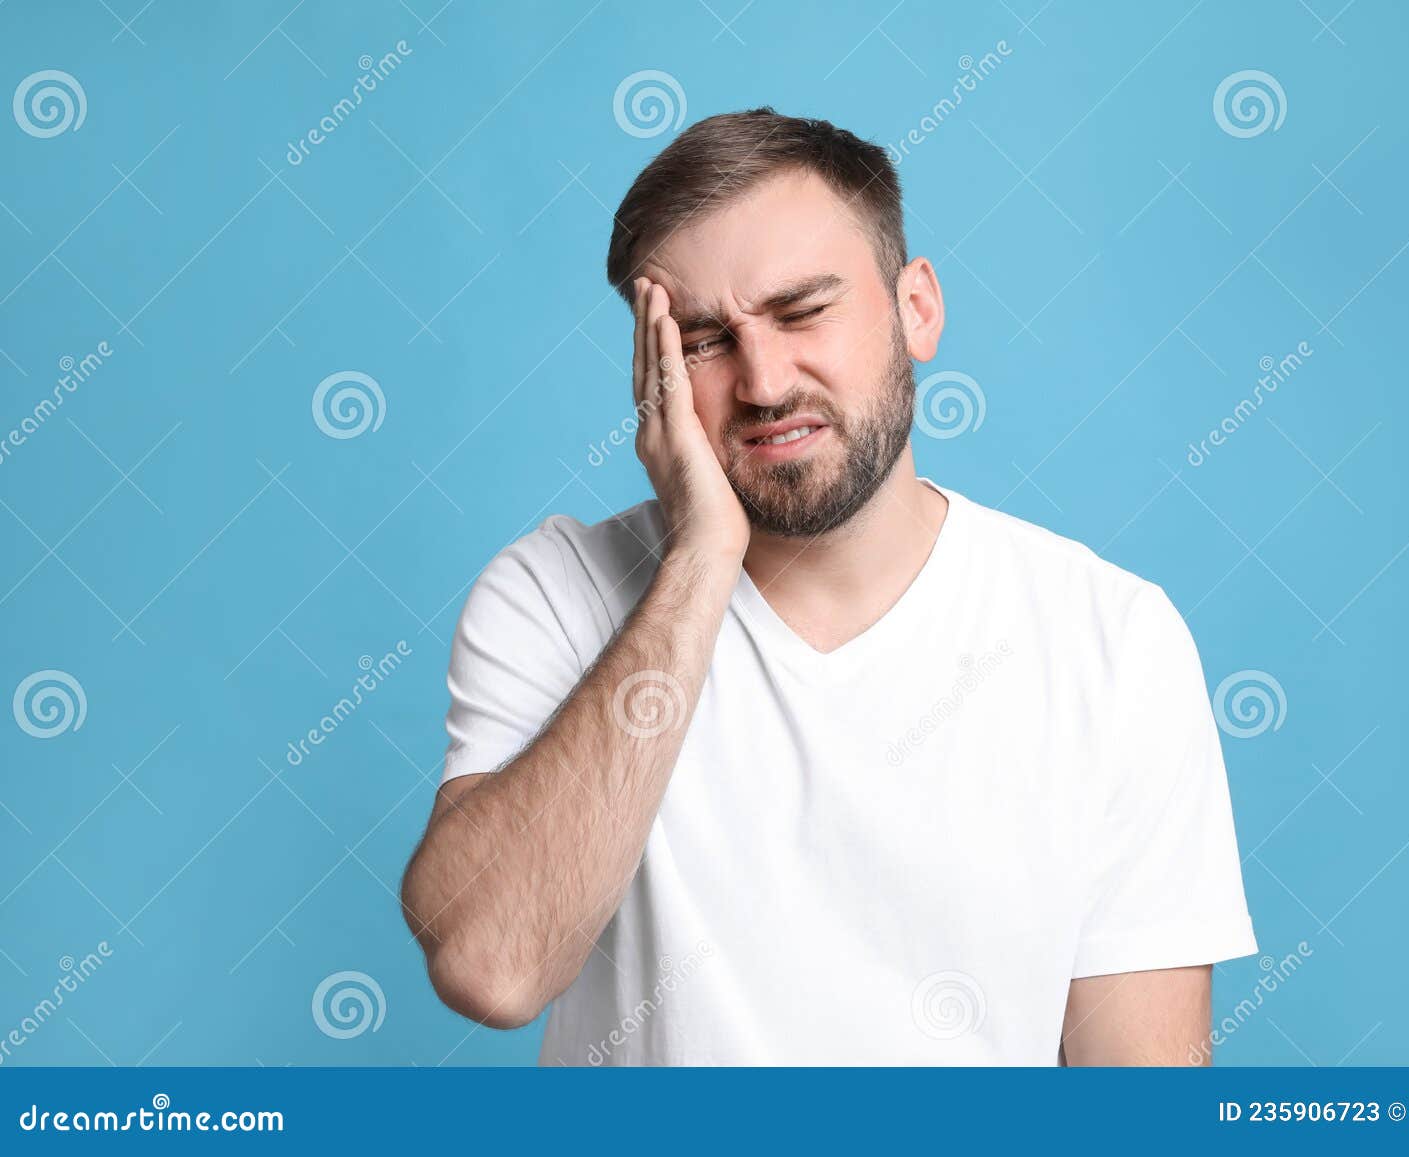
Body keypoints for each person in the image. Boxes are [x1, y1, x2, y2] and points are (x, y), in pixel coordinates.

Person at [400, 107, 1256, 1065]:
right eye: (702, 340)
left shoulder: (1111, 639)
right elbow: (493, 967)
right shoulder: (555, 593)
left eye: (804, 312)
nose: (764, 381)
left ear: (916, 310)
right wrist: (698, 558)